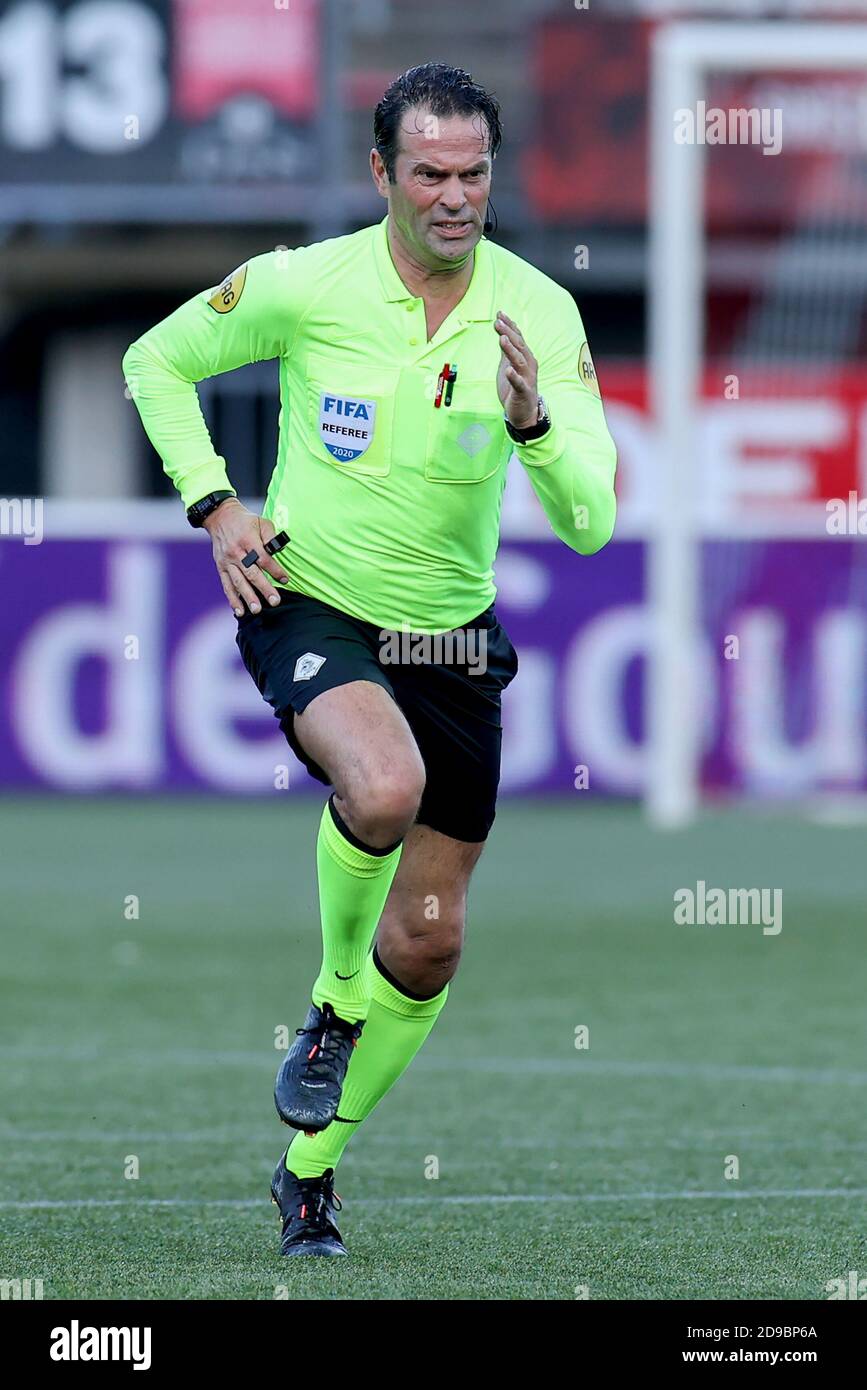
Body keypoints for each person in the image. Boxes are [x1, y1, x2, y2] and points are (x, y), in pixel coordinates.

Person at [122, 61, 617, 1258]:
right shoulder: (308, 283)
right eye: (431, 174)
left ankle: (308, 1172)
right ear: (384, 173)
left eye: (475, 175)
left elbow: (593, 518)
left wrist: (537, 426)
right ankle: (336, 1000)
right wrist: (215, 505)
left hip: (452, 640)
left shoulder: (537, 313)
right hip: (311, 602)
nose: (455, 197)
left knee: (433, 937)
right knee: (381, 788)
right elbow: (156, 362)